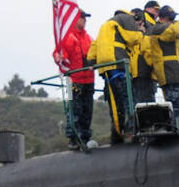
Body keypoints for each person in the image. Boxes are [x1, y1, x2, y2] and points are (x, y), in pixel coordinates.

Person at [93, 10, 146, 144]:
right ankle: (132, 131)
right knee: (128, 99)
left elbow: (92, 51)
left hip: (106, 69)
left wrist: (91, 62)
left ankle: (116, 135)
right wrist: (140, 32)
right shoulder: (125, 18)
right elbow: (133, 38)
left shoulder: (105, 26)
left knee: (115, 105)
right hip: (119, 64)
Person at [147, 5, 179, 131]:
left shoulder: (166, 30)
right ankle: (168, 132)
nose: (173, 21)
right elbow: (175, 31)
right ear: (162, 18)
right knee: (174, 106)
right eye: (170, 18)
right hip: (170, 74)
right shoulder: (158, 29)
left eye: (173, 18)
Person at [57, 9, 96, 150]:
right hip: (74, 80)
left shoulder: (89, 38)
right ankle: (73, 138)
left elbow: (94, 55)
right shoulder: (68, 38)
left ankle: (85, 137)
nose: (84, 20)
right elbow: (59, 54)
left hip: (88, 80)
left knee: (87, 110)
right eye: (82, 18)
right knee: (74, 110)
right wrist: (59, 59)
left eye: (85, 18)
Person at [133, 1, 161, 105]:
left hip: (149, 71)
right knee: (144, 105)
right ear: (147, 9)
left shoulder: (154, 25)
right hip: (142, 69)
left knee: (147, 104)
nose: (157, 13)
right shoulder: (142, 18)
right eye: (155, 9)